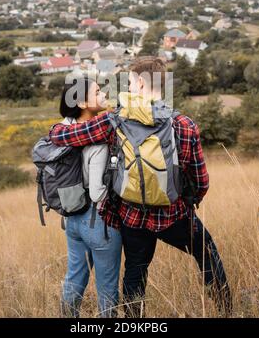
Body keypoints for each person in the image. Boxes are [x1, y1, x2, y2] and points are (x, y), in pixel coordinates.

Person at [50, 57, 232, 318]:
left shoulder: (114, 120)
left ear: (141, 83)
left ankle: (134, 320)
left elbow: (66, 136)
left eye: (131, 82)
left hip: (132, 217)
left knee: (135, 271)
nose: (128, 86)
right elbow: (201, 181)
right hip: (175, 215)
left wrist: (57, 128)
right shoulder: (184, 125)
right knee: (206, 253)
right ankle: (226, 309)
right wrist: (184, 202)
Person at [58, 77, 122, 318]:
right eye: (98, 91)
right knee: (107, 287)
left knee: (74, 278)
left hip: (71, 219)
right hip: (98, 222)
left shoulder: (64, 129)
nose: (104, 94)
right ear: (83, 102)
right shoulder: (97, 139)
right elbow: (96, 192)